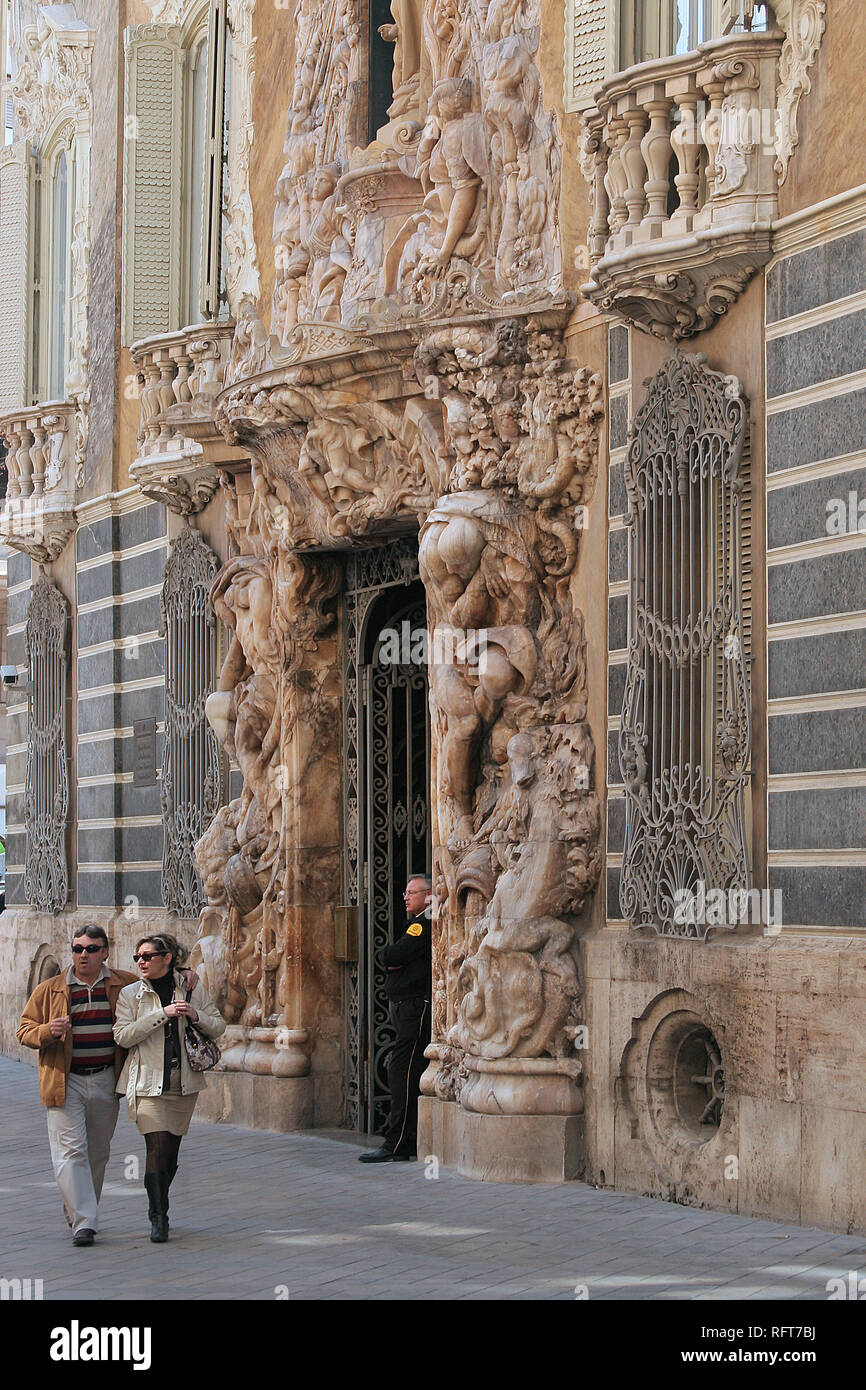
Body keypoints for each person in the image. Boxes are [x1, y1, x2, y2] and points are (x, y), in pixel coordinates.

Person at [17, 924, 139, 1246]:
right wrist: (47, 1031)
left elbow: (158, 986)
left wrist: (187, 976)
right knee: (71, 1152)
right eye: (77, 949)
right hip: (64, 1081)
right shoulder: (51, 989)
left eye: (91, 949)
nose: (82, 955)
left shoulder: (123, 984)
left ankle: (80, 1210)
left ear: (105, 953)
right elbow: (23, 1031)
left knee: (97, 1153)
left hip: (105, 1079)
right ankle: (85, 1222)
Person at [113, 932, 225, 1243]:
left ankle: (160, 1202)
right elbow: (122, 1036)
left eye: (148, 956)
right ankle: (158, 1217)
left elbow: (218, 1026)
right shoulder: (130, 994)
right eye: (138, 957)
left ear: (167, 959)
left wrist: (194, 1014)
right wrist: (161, 1014)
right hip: (147, 1083)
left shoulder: (190, 988)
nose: (141, 962)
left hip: (182, 1084)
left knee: (171, 1155)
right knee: (156, 1147)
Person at [359, 874, 433, 1163]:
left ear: (429, 895)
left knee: (402, 1072)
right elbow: (391, 958)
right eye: (405, 892)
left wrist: (392, 957)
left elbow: (393, 955)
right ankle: (403, 1140)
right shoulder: (416, 924)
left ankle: (397, 1143)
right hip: (407, 1007)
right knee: (405, 1071)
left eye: (411, 892)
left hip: (415, 1007)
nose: (405, 897)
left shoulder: (422, 925)